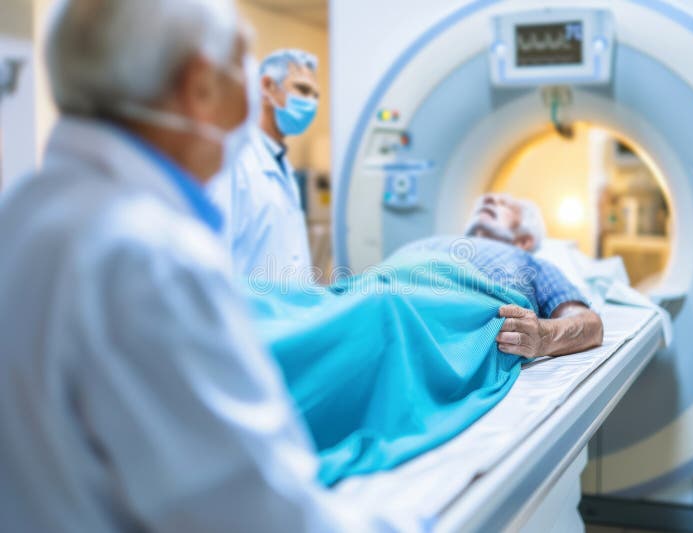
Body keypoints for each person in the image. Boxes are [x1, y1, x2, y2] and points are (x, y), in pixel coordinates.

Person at [0, 1, 384, 531]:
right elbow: (259, 514)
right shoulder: (152, 258)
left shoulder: (21, 213)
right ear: (200, 87)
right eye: (242, 68)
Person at [397, 193, 604, 358]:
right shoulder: (438, 242)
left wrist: (544, 336)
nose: (487, 200)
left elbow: (590, 323)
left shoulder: (533, 265)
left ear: (524, 241)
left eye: (503, 204)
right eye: (486, 202)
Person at [209, 48, 320, 281]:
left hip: (290, 302)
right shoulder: (236, 161)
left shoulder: (282, 165)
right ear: (268, 87)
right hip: (251, 303)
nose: (311, 103)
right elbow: (216, 251)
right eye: (302, 90)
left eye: (315, 95)